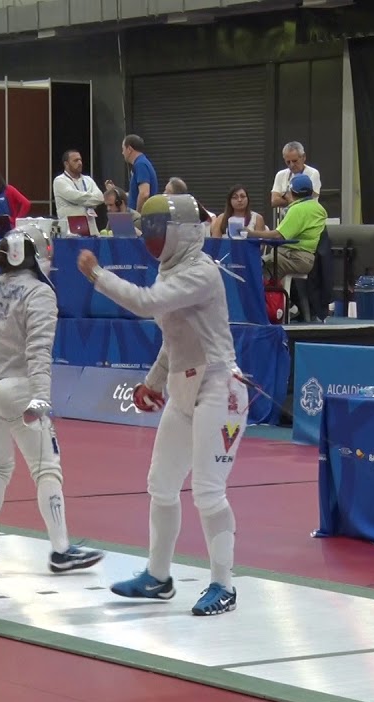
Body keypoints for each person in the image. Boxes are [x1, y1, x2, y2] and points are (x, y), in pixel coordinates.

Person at [77, 194, 248, 617]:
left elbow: (146, 303)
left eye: (154, 230)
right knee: (161, 484)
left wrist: (98, 275)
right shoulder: (170, 270)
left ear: (180, 232)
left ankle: (223, 586)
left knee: (208, 492)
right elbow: (175, 341)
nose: (148, 238)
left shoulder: (202, 272)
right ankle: (158, 577)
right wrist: (151, 383)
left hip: (219, 389)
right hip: (184, 388)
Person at [0, 227, 104, 572]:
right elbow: (39, 350)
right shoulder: (39, 293)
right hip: (17, 389)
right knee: (46, 468)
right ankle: (61, 550)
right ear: (35, 256)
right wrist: (40, 397)